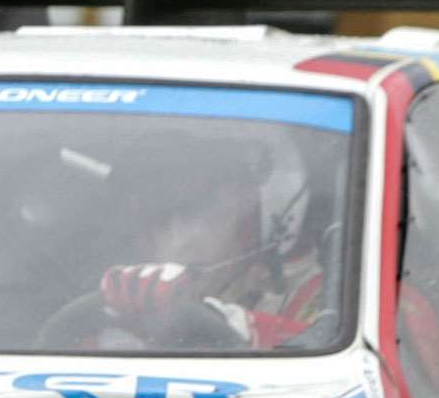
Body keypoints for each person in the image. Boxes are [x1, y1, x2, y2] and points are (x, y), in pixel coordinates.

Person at [96, 139, 327, 350]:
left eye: (194, 213)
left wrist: (246, 329)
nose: (178, 241)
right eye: (158, 221)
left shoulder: (331, 301)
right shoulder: (127, 295)